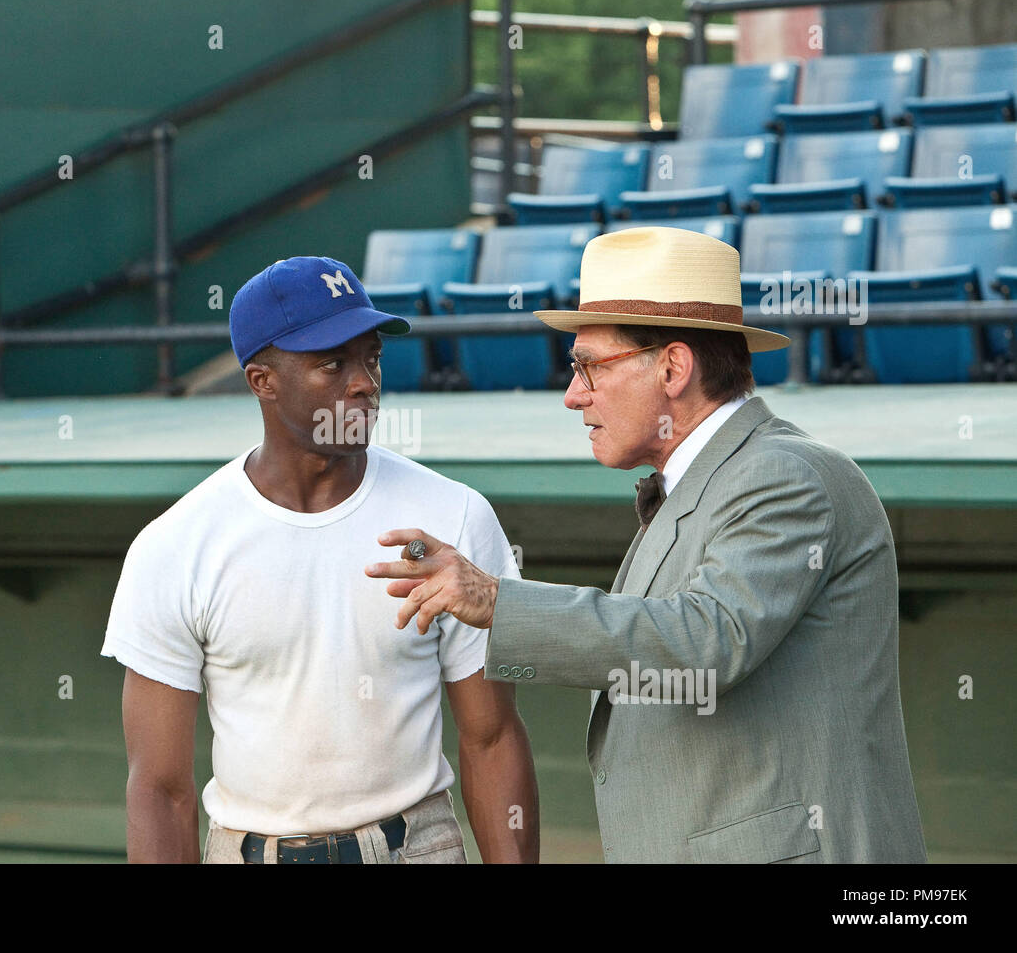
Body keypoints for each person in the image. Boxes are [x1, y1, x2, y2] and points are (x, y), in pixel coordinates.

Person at [366, 227, 927, 863]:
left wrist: (497, 601)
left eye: (588, 367)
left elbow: (705, 642)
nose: (574, 395)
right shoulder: (714, 477)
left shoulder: (781, 474)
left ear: (673, 367)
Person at [103, 255, 538, 864]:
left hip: (415, 843)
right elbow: (159, 789)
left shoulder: (452, 516)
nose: (363, 382)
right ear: (262, 380)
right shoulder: (175, 544)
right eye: (331, 363)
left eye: (371, 358)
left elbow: (492, 740)